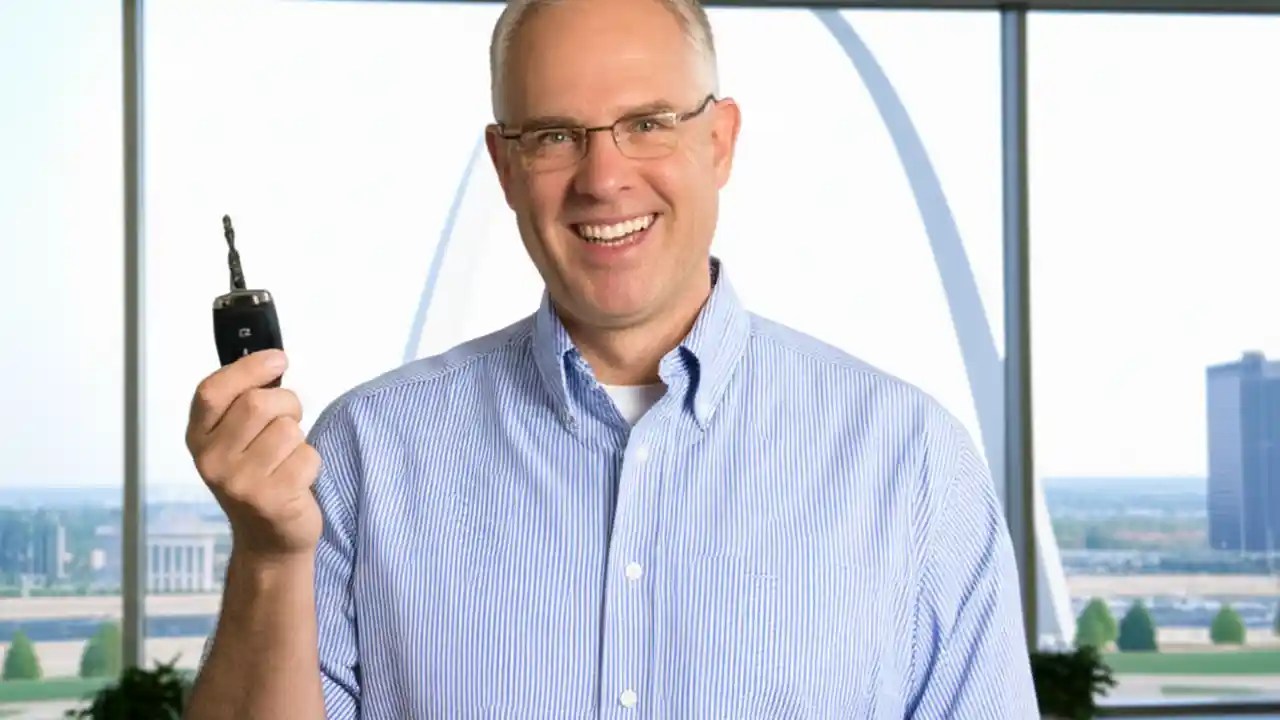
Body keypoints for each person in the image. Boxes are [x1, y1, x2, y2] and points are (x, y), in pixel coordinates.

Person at [183, 0, 1040, 717]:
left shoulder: (912, 463)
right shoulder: (365, 455)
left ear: (720, 142)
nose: (603, 178)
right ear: (505, 167)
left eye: (648, 124)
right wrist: (270, 559)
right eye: (555, 135)